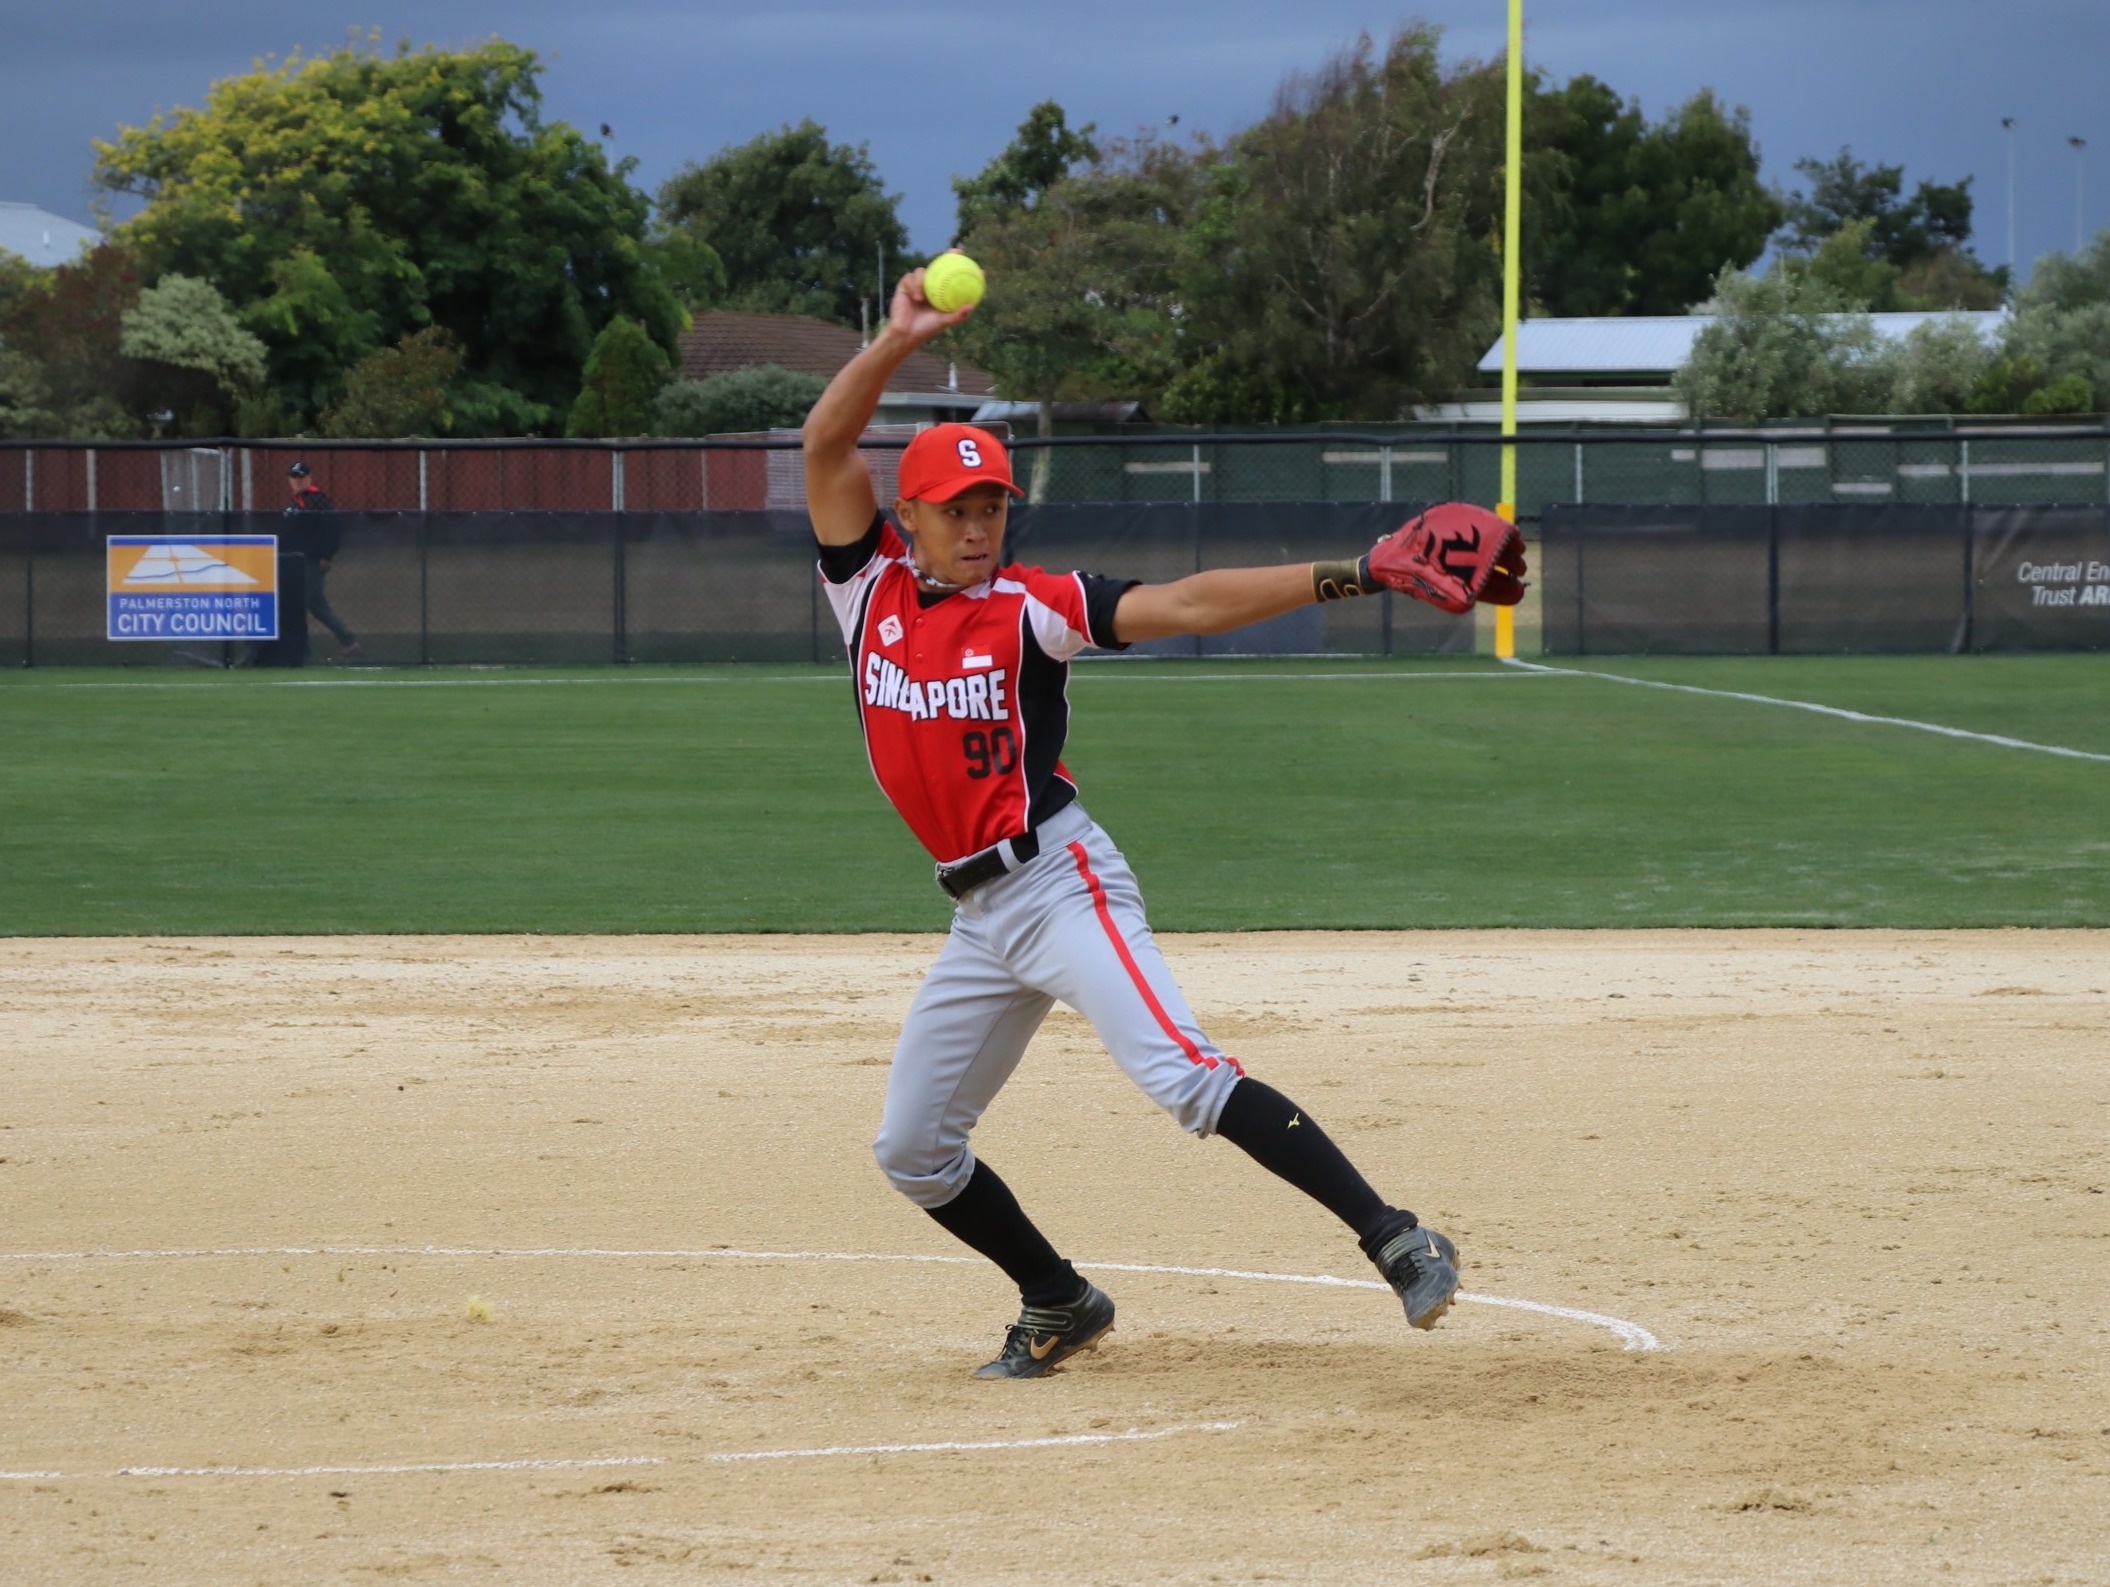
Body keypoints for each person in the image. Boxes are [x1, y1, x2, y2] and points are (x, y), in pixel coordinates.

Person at [801, 265, 1465, 1380]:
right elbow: (825, 446)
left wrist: (1355, 575)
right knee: (913, 1150)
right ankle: (1057, 1298)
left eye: (992, 505)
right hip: (978, 915)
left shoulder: (1032, 608)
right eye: (954, 508)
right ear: (903, 515)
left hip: (1061, 886)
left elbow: (1192, 602)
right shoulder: (864, 591)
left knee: (1183, 1076)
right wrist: (896, 341)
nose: (975, 524)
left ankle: (1396, 1234)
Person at [284, 460, 361, 659]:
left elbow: (332, 530)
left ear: (309, 478)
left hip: (312, 560)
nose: (297, 481)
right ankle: (345, 641)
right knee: (308, 603)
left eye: (301, 477)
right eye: (294, 477)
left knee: (309, 601)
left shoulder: (318, 500)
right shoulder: (295, 502)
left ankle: (343, 640)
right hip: (295, 560)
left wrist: (326, 555)